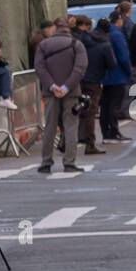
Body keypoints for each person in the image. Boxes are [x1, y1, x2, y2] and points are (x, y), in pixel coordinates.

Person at [34, 17, 87, 174]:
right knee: (70, 126)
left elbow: (39, 67)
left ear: (55, 28)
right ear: (68, 29)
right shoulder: (76, 44)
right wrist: (66, 86)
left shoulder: (43, 45)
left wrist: (52, 85)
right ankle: (69, 162)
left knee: (50, 126)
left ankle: (46, 162)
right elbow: (80, 68)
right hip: (71, 92)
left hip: (50, 92)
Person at [78, 18, 116, 155]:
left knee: (76, 109)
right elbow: (112, 64)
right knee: (90, 111)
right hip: (94, 81)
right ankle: (89, 143)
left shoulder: (83, 40)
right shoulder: (105, 45)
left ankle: (68, 139)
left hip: (78, 79)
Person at [99, 11, 133, 143]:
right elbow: (123, 56)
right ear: (118, 20)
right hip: (117, 75)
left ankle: (106, 132)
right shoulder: (117, 35)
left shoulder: (103, 34)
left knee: (105, 105)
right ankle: (113, 131)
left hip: (103, 75)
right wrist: (129, 71)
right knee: (114, 104)